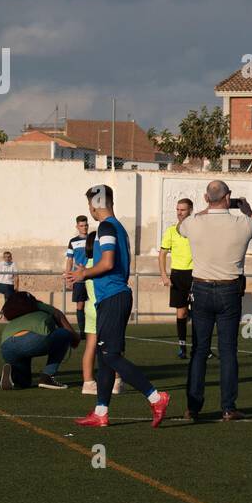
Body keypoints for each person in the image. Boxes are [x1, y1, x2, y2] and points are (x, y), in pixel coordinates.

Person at [64, 184, 170, 429]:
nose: (89, 210)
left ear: (95, 205)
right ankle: (101, 412)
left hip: (113, 296)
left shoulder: (107, 226)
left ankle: (156, 397)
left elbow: (108, 262)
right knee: (105, 357)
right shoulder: (114, 227)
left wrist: (84, 273)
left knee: (111, 355)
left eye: (90, 205)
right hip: (110, 297)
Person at [180, 180, 252, 421]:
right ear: (228, 196)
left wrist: (207, 208)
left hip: (200, 289)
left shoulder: (194, 222)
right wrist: (249, 211)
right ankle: (228, 407)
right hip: (229, 290)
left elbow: (182, 226)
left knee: (199, 350)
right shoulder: (243, 222)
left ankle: (193, 407)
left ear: (205, 197)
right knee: (228, 351)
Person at [0, 291, 79, 390]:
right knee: (64, 333)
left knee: (24, 383)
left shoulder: (17, 316)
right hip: (32, 340)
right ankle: (47, 377)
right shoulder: (39, 306)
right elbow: (58, 314)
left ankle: (12, 377)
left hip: (7, 345)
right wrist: (74, 336)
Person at [76, 233, 121, 396]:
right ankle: (116, 381)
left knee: (90, 346)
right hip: (104, 307)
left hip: (90, 308)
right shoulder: (101, 264)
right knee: (114, 346)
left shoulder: (86, 264)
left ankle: (88, 382)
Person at [159, 197, 195, 359]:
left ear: (190, 210)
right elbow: (162, 254)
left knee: (199, 313)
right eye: (178, 209)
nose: (180, 213)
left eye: (183, 210)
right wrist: (164, 276)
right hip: (178, 275)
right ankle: (182, 346)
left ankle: (201, 347)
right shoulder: (171, 231)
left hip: (196, 275)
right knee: (181, 313)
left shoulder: (197, 229)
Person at [64, 216, 91, 333]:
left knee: (96, 304)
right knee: (80, 306)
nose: (84, 227)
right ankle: (82, 331)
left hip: (92, 276)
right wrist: (69, 278)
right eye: (81, 225)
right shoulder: (73, 241)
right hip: (78, 278)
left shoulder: (93, 239)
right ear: (77, 227)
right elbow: (69, 260)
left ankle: (97, 329)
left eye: (85, 225)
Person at [0, 251, 19, 317]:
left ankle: (7, 311)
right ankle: (6, 311)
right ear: (3, 258)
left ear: (11, 257)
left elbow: (16, 277)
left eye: (9, 257)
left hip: (10, 285)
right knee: (7, 290)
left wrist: (16, 287)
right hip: (1, 284)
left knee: (12, 295)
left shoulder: (13, 264)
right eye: (5, 257)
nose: (7, 258)